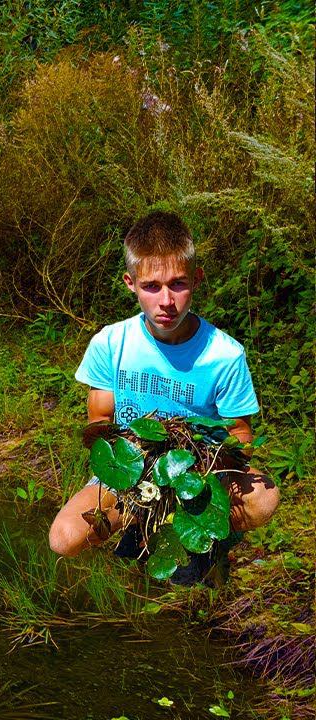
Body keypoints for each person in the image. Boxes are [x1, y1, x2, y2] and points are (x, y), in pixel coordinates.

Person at [48, 211, 279, 570]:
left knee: (265, 499)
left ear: (197, 280)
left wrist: (200, 463)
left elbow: (240, 434)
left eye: (178, 284)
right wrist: (137, 472)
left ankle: (207, 531)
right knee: (63, 538)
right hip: (132, 471)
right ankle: (139, 521)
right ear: (130, 283)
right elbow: (99, 424)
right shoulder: (111, 343)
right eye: (151, 286)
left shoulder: (225, 354)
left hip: (197, 470)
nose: (166, 301)